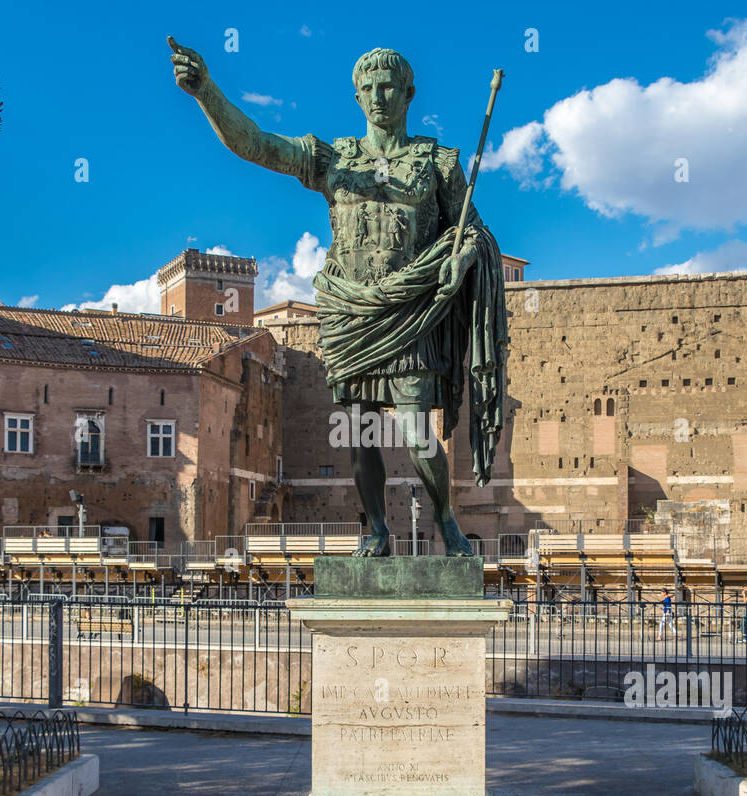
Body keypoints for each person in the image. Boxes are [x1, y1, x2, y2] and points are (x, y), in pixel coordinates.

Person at [170, 39, 507, 558]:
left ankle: (446, 521)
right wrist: (206, 93)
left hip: (412, 314)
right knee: (361, 433)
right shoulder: (335, 159)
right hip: (350, 311)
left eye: (389, 86)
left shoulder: (437, 163)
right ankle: (376, 530)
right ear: (357, 96)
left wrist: (462, 257)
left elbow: (474, 232)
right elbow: (257, 144)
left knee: (417, 431)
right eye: (368, 88)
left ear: (409, 93)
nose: (379, 95)